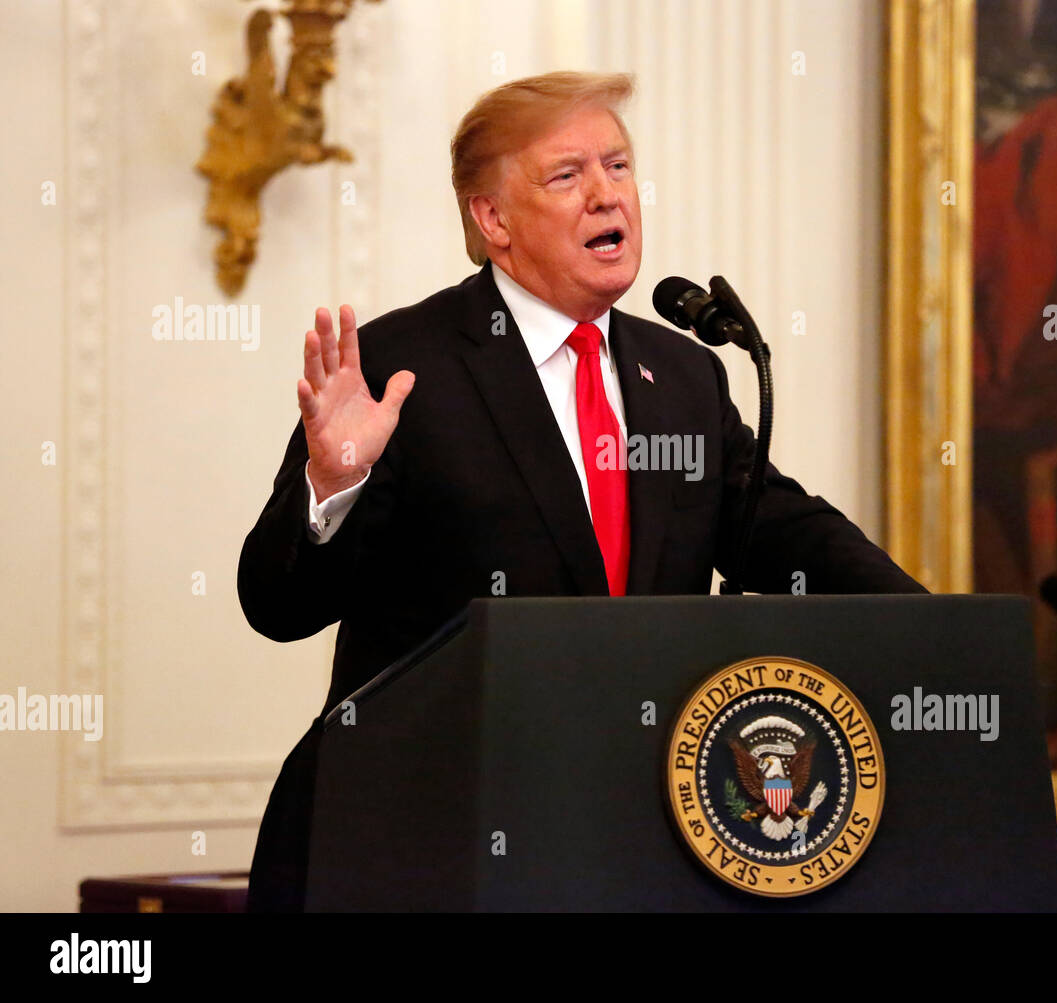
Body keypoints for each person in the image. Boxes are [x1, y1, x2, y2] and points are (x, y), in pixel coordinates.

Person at [238, 70, 925, 911]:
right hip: (424, 840)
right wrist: (332, 481)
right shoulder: (406, 367)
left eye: (620, 167)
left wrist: (933, 628)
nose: (608, 195)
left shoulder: (682, 375)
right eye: (568, 176)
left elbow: (781, 529)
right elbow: (276, 603)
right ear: (492, 219)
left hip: (625, 837)